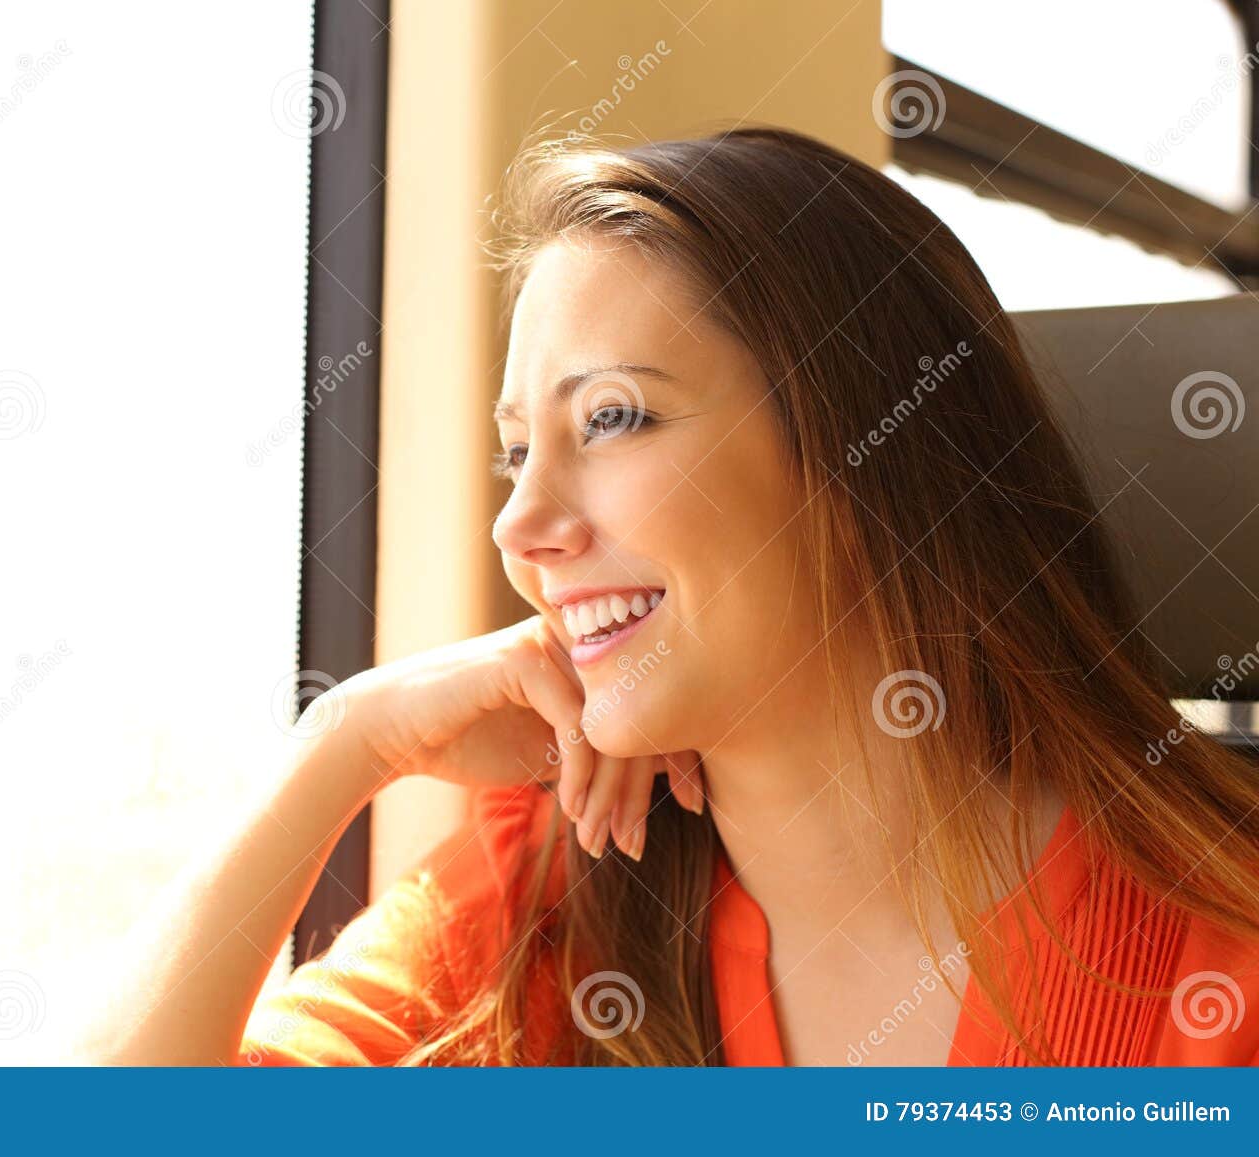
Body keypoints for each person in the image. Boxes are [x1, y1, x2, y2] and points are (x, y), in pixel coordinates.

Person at [83, 127, 1259, 1066]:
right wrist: (344, 738)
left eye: (610, 418)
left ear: (866, 457)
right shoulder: (537, 900)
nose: (519, 524)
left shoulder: (1218, 963)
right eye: (515, 453)